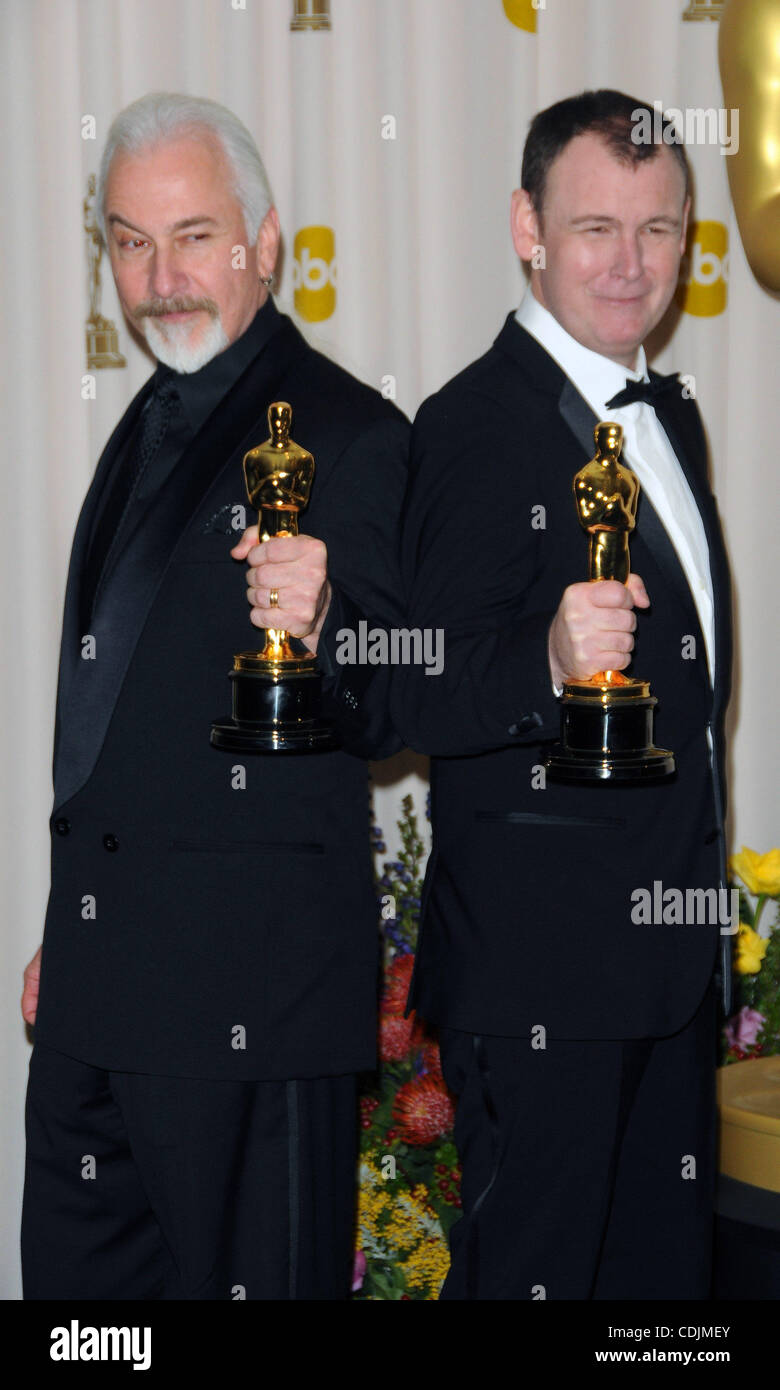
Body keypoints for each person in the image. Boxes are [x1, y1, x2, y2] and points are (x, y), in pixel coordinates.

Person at [20, 91, 409, 1301]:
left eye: (193, 236)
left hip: (253, 1012)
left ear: (266, 241)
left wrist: (334, 620)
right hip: (96, 1010)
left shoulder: (355, 433)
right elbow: (119, 713)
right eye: (130, 242)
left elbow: (405, 695)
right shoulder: (140, 428)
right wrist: (78, 919)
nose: (161, 277)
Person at [391, 90, 733, 1300]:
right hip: (542, 989)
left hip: (665, 976)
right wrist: (543, 655)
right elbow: (418, 689)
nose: (632, 264)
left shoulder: (669, 418)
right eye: (597, 227)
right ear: (528, 227)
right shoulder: (476, 425)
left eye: (660, 229)